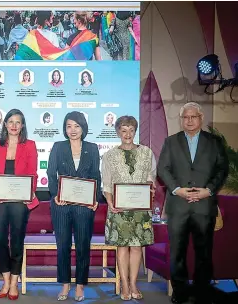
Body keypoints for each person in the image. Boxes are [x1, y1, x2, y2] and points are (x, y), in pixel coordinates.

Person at [157, 102, 229, 304]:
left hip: (204, 206)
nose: (189, 121)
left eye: (193, 117)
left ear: (201, 118)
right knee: (177, 253)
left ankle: (202, 291)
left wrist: (208, 191)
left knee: (204, 253)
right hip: (178, 205)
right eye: (185, 117)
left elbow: (222, 169)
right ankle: (179, 291)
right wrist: (177, 189)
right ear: (182, 120)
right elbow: (163, 169)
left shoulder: (214, 142)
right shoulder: (171, 142)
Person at [47, 111, 101, 302]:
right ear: (65, 128)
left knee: (82, 246)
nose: (73, 130)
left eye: (77, 126)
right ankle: (64, 284)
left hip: (84, 207)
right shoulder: (58, 147)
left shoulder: (92, 148)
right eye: (69, 126)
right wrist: (55, 196)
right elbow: (50, 172)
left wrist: (96, 198)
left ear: (83, 127)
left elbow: (96, 175)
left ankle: (80, 285)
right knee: (62, 245)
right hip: (61, 206)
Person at [0, 109, 39, 301]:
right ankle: (5, 280)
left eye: (18, 122)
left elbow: (33, 174)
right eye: (11, 122)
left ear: (22, 125)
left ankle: (14, 283)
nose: (14, 125)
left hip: (20, 201)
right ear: (5, 124)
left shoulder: (30, 145)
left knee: (16, 241)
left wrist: (28, 192)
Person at [102, 115, 156, 300]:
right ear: (118, 132)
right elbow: (107, 184)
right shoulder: (109, 155)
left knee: (136, 247)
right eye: (123, 130)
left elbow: (150, 177)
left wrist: (151, 189)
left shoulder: (147, 152)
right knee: (122, 247)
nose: (127, 134)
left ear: (135, 131)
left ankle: (134, 283)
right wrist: (110, 202)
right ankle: (124, 284)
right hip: (118, 209)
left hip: (140, 210)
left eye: (131, 130)